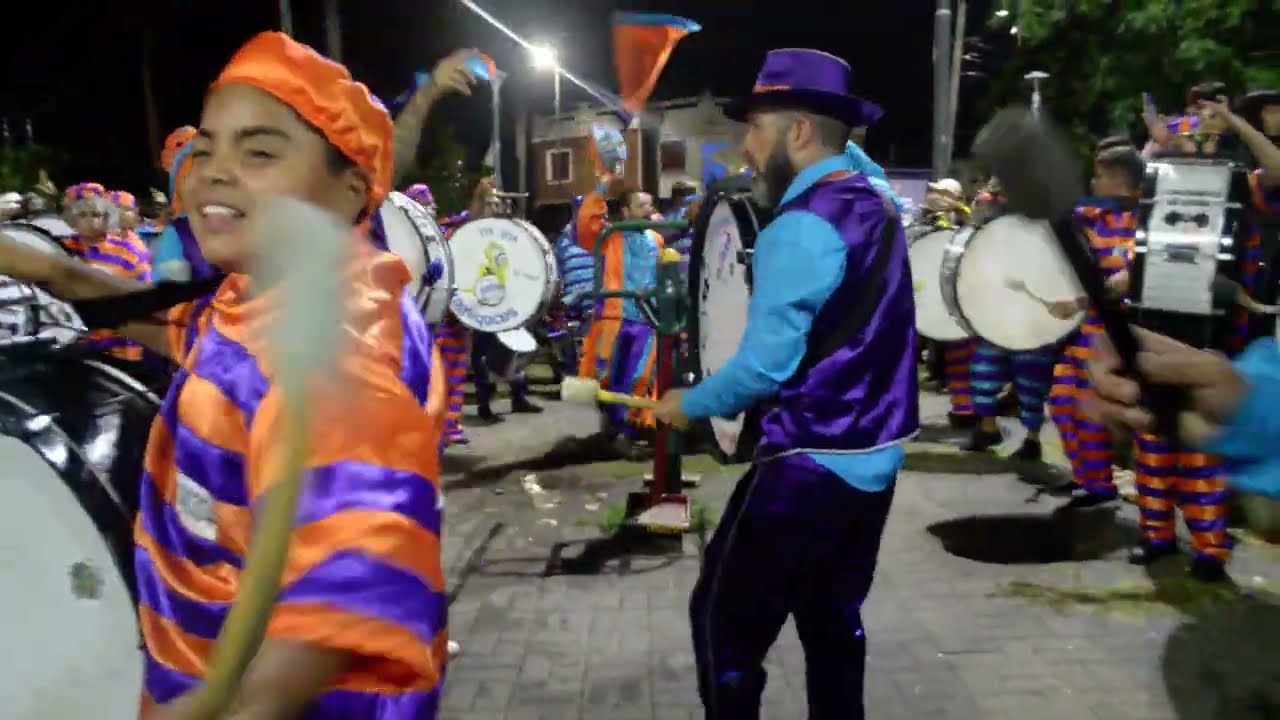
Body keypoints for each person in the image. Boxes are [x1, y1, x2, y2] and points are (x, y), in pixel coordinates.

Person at [1, 32, 468, 718]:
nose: (213, 171)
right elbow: (158, 320)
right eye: (209, 147)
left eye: (259, 152)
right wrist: (42, 266)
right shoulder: (264, 295)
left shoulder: (335, 348)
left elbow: (353, 581)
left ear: (349, 190)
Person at [652, 48, 917, 720]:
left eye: (756, 129)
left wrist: (691, 404)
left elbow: (761, 370)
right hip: (875, 461)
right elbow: (862, 164)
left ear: (797, 133)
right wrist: (842, 141)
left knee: (725, 630)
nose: (745, 149)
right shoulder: (879, 204)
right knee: (833, 624)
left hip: (808, 466)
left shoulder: (799, 229)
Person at [1046, 145, 1143, 506]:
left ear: (1117, 177)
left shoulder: (1141, 222)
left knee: (1086, 406)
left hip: (1112, 336)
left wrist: (1122, 280)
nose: (1093, 181)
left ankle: (1098, 484)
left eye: (1099, 175)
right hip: (1086, 328)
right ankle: (1086, 477)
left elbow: (1124, 283)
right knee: (1060, 401)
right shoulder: (1091, 215)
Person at [575, 185, 664, 456]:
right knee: (611, 377)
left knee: (640, 377)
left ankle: (628, 430)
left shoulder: (656, 240)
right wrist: (601, 187)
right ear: (626, 210)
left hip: (646, 318)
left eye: (651, 205)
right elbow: (585, 225)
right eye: (643, 206)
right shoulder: (610, 235)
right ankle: (616, 432)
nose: (650, 210)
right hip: (615, 317)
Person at [60, 182, 153, 362]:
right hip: (79, 350)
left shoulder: (127, 251)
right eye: (82, 215)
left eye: (96, 214)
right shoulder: (63, 248)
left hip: (123, 349)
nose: (91, 220)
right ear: (72, 219)